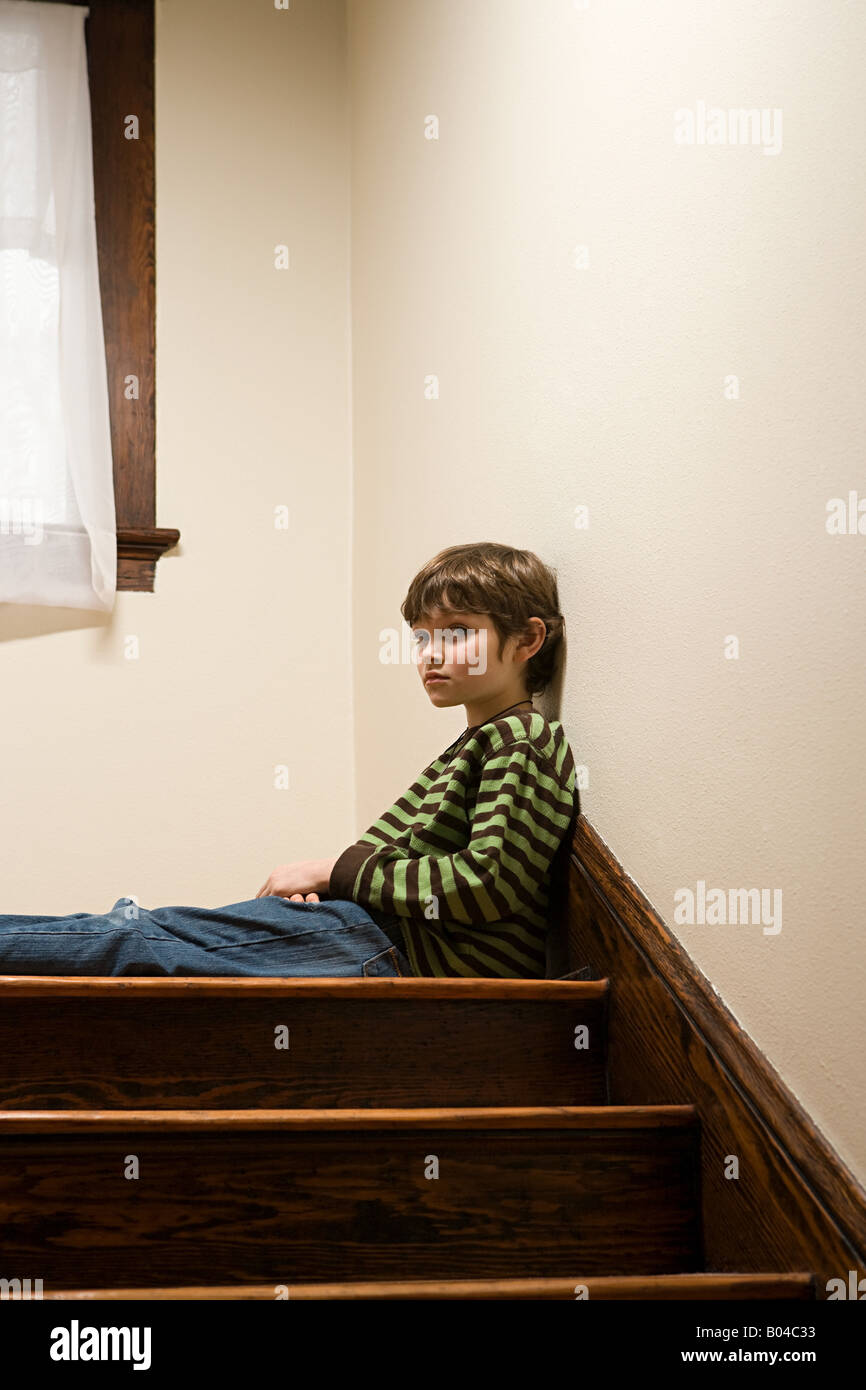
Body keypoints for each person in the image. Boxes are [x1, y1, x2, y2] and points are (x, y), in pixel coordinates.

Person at [0, 542, 579, 978]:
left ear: (527, 640)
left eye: (457, 633)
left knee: (136, 938)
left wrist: (332, 872)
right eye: (422, 637)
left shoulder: (522, 739)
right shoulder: (487, 741)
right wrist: (337, 888)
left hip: (395, 948)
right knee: (142, 934)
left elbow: (487, 882)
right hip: (370, 933)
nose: (431, 654)